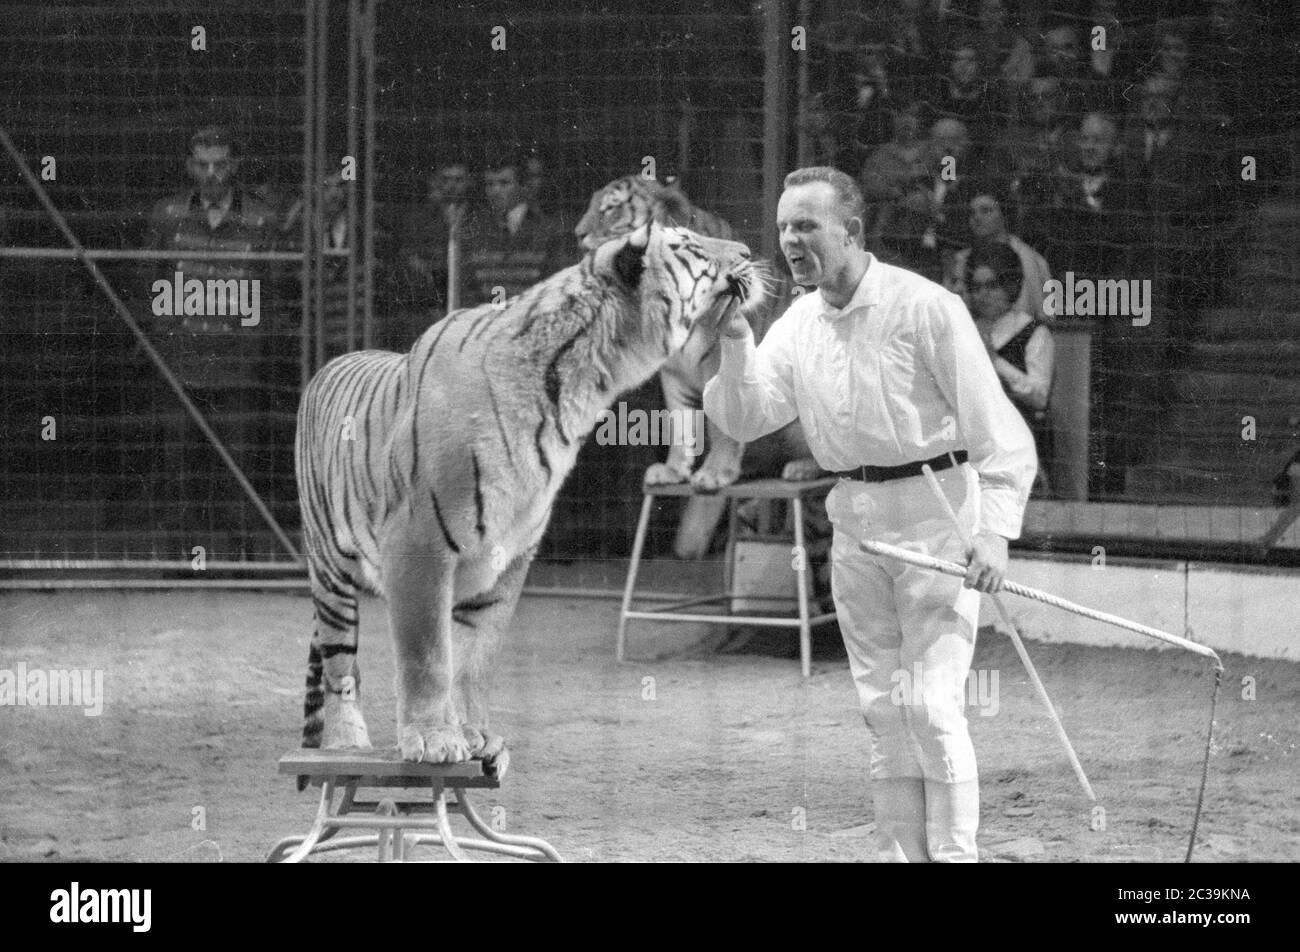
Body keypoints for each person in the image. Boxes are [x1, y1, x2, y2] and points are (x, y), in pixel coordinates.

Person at [703, 167, 1036, 862]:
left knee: (930, 705)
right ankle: (898, 857)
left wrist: (994, 534)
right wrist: (734, 339)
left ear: (850, 232)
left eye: (806, 227)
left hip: (938, 518)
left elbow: (1000, 434)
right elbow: (746, 414)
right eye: (784, 227)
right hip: (855, 524)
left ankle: (954, 857)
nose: (790, 241)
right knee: (884, 709)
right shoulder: (798, 321)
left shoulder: (927, 307)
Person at [143, 125, 280, 549]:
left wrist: (252, 343)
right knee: (177, 463)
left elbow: (271, 289)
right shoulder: (166, 216)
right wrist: (166, 339)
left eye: (220, 164)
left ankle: (242, 555)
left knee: (238, 463)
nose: (212, 174)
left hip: (237, 363)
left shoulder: (261, 218)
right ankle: (176, 557)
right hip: (181, 361)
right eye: (203, 164)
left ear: (234, 166)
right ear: (189, 166)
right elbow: (152, 283)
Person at [964, 242, 1054, 492]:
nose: (983, 295)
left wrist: (995, 361)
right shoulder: (965, 328)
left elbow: (1039, 396)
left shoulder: (1034, 333)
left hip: (1018, 445)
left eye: (992, 286)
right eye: (976, 287)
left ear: (1010, 285)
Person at [460, 153, 571, 307]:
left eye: (504, 183)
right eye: (490, 184)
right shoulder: (476, 231)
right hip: (487, 321)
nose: (496, 191)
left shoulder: (548, 231)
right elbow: (468, 288)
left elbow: (556, 286)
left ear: (523, 186)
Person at [946, 182, 1052, 322]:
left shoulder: (1030, 260)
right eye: (972, 213)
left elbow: (1045, 315)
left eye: (986, 210)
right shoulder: (960, 260)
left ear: (1004, 214)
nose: (977, 218)